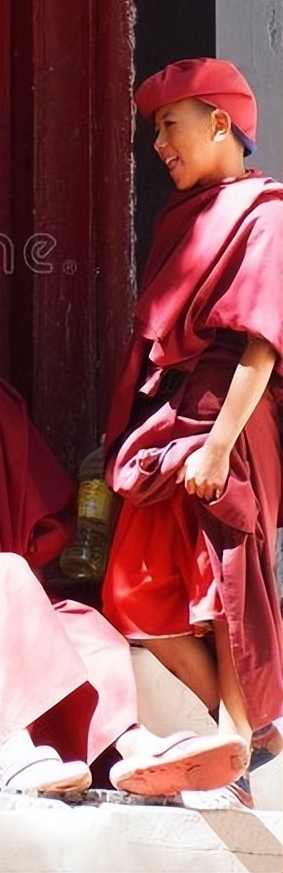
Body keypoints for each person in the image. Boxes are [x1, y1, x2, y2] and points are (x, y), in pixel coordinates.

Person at [0, 257, 249, 797]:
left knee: (81, 620)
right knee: (9, 574)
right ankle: (13, 750)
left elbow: (40, 520)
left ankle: (132, 746)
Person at [100, 57, 283, 807]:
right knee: (133, 590)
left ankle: (238, 735)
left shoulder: (267, 212)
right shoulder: (185, 217)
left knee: (225, 579)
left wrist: (218, 443)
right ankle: (248, 739)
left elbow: (263, 341)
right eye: (151, 134)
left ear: (217, 121)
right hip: (175, 417)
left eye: (168, 127)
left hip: (229, 419)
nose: (159, 147)